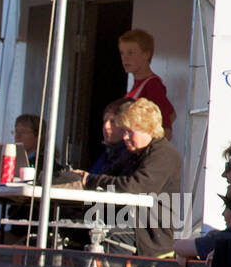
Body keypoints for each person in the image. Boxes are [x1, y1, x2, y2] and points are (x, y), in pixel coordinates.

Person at [76, 98, 182, 256]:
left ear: (148, 129)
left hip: (149, 235)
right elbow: (110, 174)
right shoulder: (136, 153)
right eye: (124, 131)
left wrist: (91, 180)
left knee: (101, 236)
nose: (125, 137)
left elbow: (135, 187)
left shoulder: (164, 154)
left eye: (130, 131)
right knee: (76, 229)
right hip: (132, 224)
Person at [118, 28, 175, 137]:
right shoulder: (138, 84)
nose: (125, 58)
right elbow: (172, 113)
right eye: (122, 53)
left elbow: (165, 127)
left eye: (130, 52)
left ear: (146, 55)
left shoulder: (152, 85)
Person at [87, 98, 135, 176]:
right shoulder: (107, 155)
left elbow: (112, 186)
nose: (106, 126)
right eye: (105, 121)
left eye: (113, 122)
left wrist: (89, 180)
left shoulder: (130, 157)